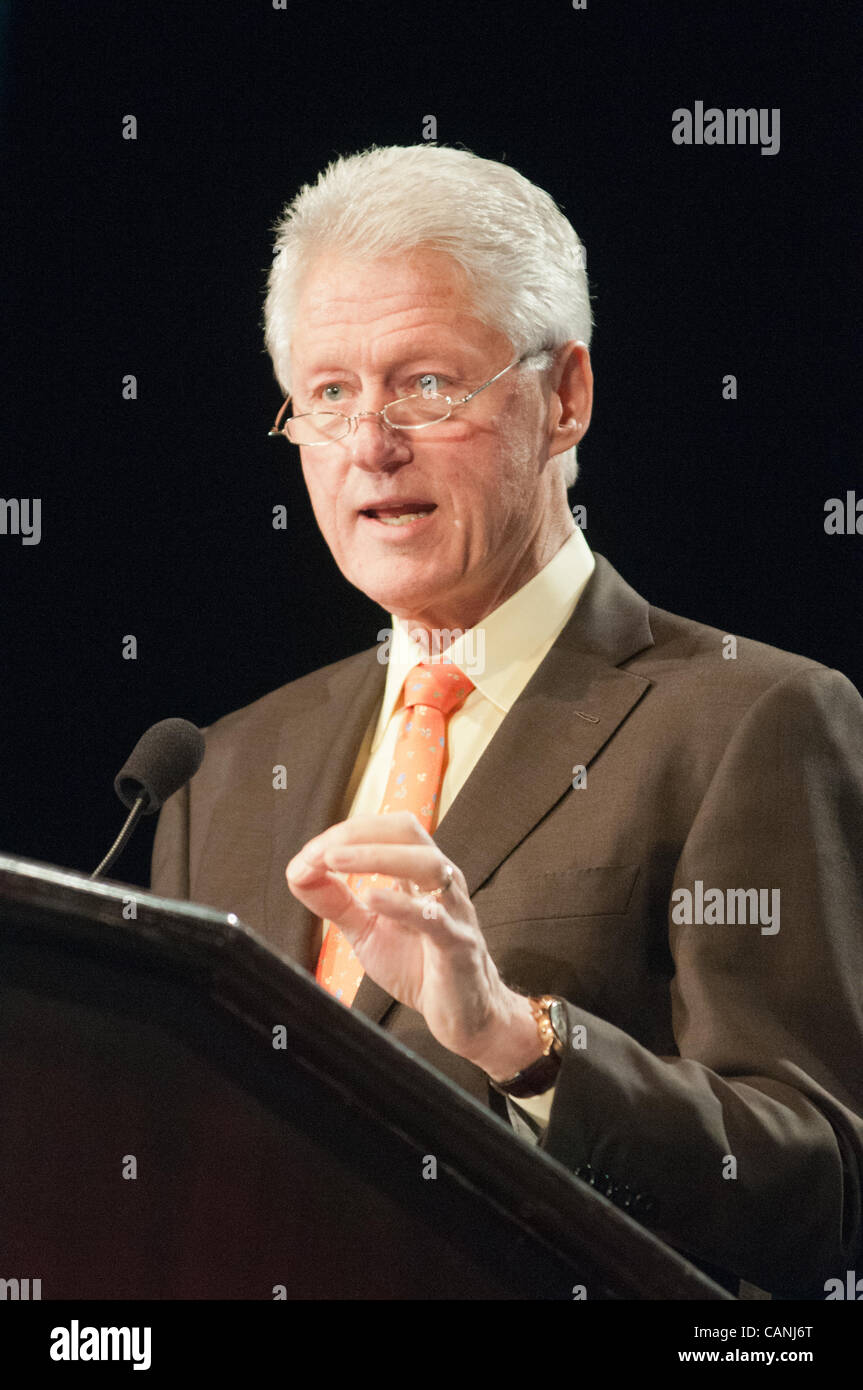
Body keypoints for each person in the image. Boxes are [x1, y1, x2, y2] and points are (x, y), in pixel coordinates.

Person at [151, 143, 863, 1299]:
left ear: (564, 396)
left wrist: (515, 1039)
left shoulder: (753, 719)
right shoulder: (223, 768)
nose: (370, 443)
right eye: (328, 393)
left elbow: (820, 1189)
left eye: (426, 384)